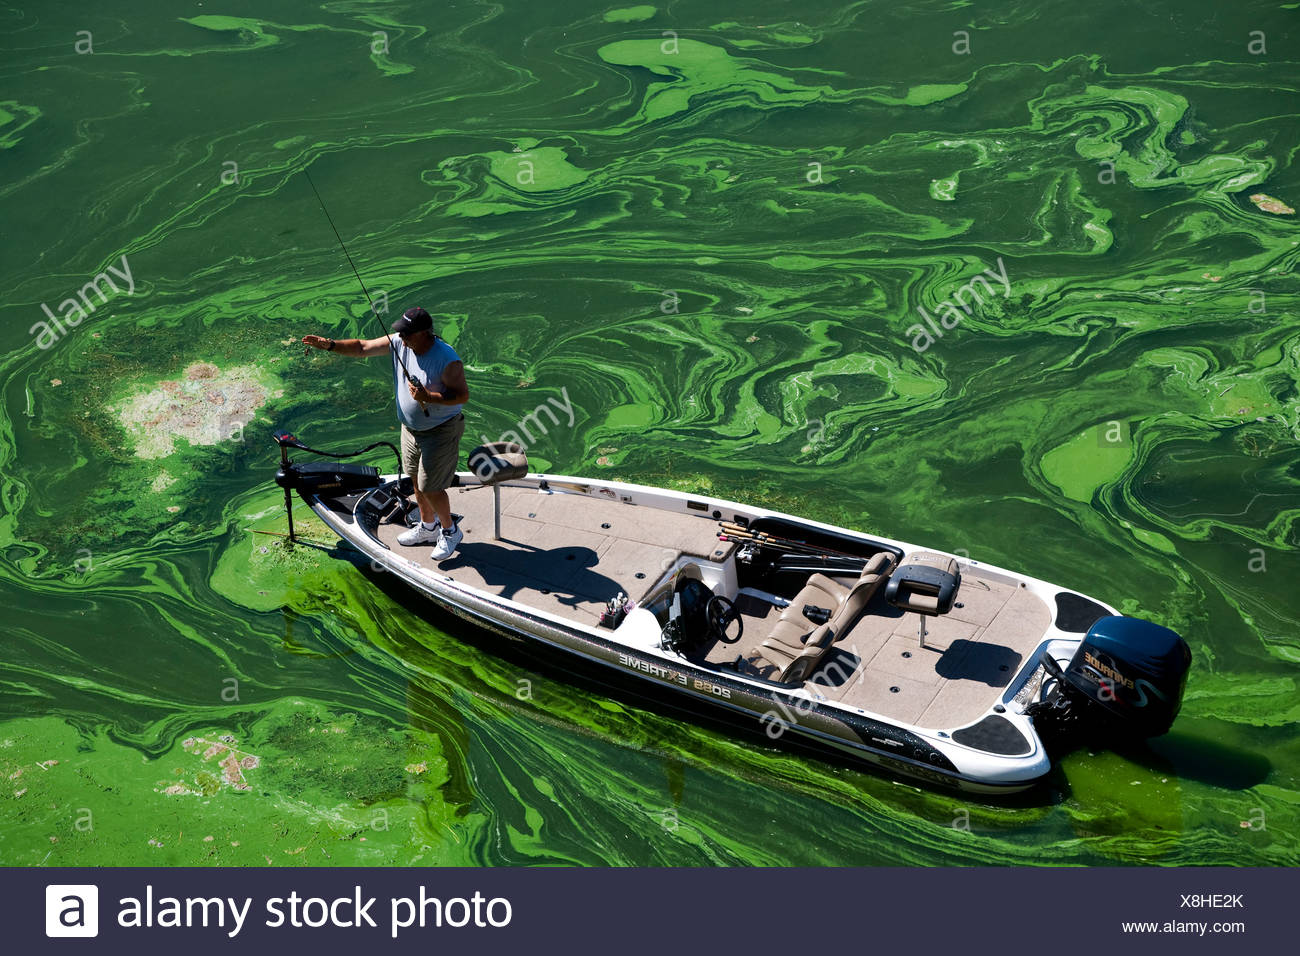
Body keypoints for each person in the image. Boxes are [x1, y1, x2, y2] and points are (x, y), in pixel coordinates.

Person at [302, 307, 468, 559]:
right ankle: (428, 526)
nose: (402, 337)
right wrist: (331, 345)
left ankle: (450, 530)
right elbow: (362, 347)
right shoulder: (401, 344)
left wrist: (429, 397)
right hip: (411, 429)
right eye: (400, 332)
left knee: (431, 486)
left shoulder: (447, 359)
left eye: (407, 333)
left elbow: (461, 396)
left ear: (424, 333)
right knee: (414, 479)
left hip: (440, 430)